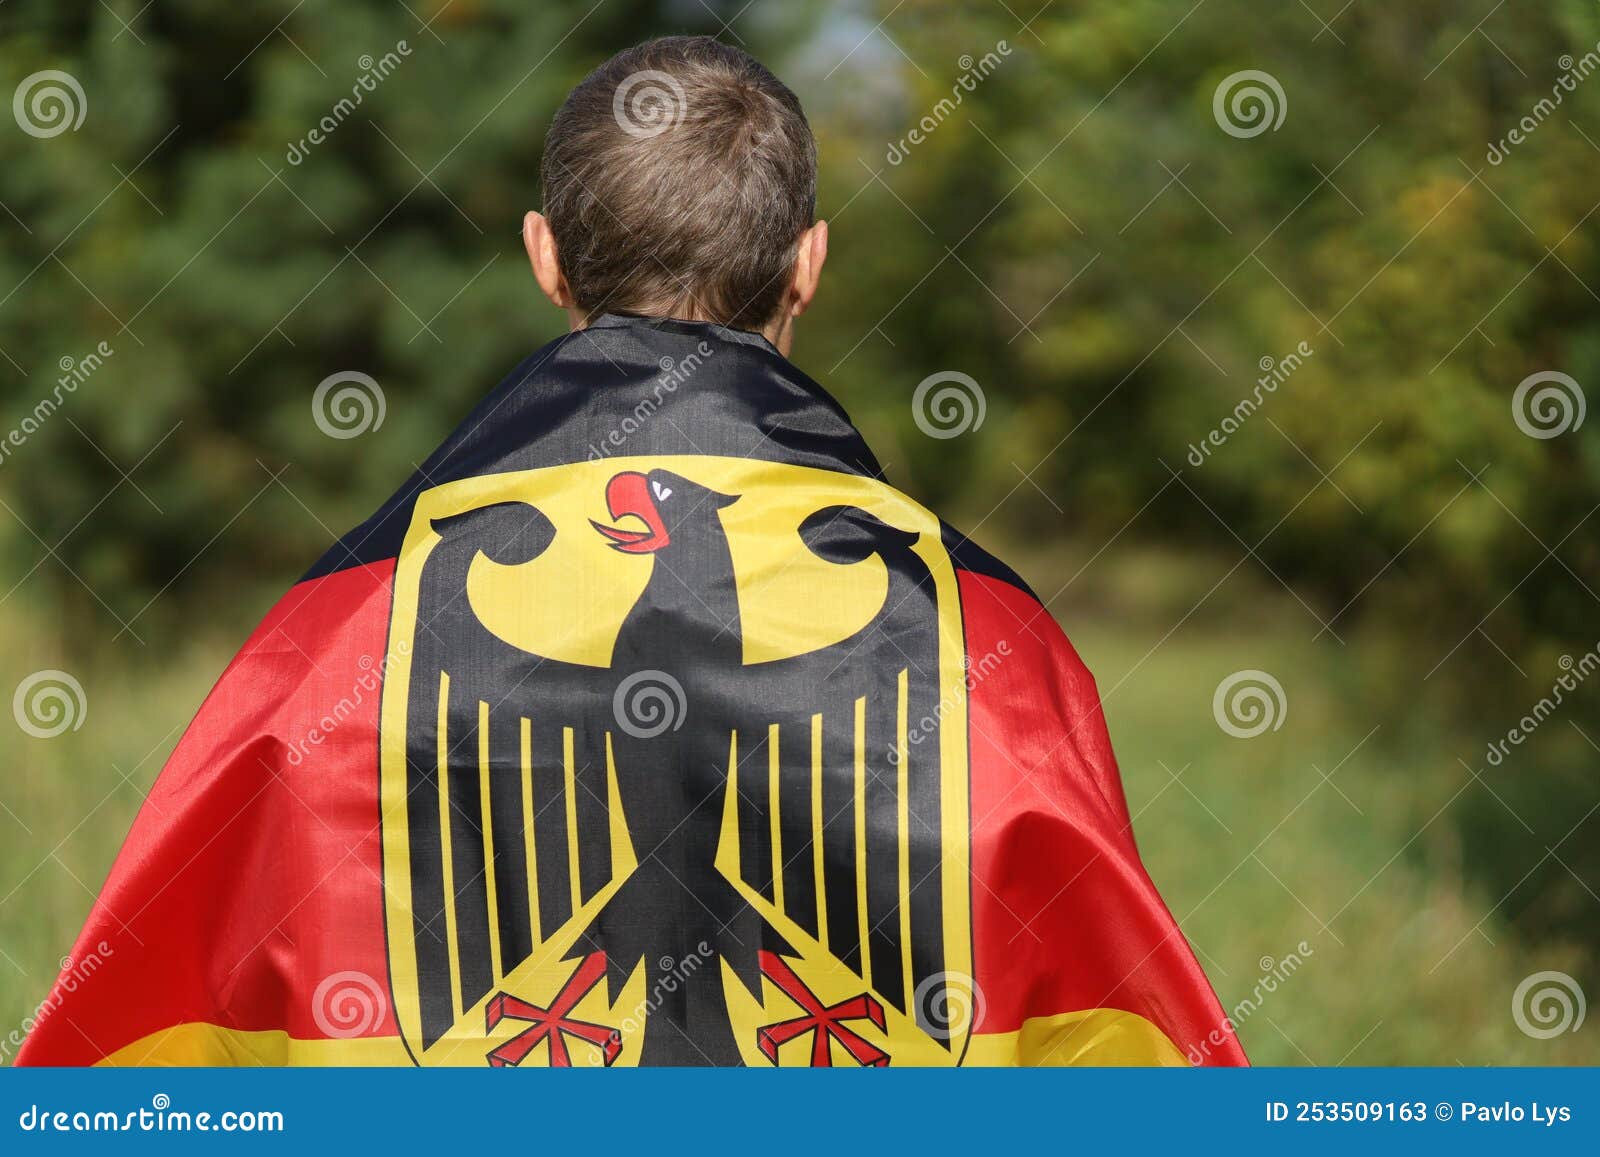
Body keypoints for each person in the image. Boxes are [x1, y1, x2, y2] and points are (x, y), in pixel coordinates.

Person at [18, 35, 1244, 1068]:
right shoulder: (981, 634)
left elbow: (148, 1043)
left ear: (543, 255)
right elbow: (1120, 1046)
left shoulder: (345, 626)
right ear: (808, 265)